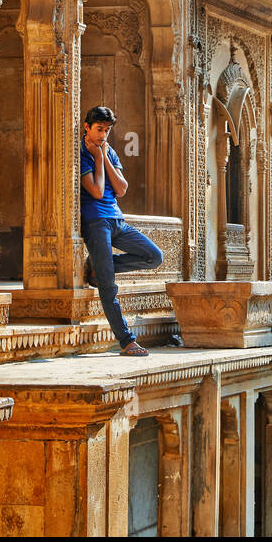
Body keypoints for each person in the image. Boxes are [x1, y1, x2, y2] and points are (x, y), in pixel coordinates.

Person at [80, 104, 163, 357]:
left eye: (106, 130)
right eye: (98, 129)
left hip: (117, 220)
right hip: (95, 222)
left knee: (154, 257)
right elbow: (95, 190)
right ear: (87, 127)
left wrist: (104, 155)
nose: (103, 135)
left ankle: (100, 266)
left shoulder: (109, 151)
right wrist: (96, 157)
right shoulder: (81, 153)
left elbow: (122, 188)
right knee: (108, 286)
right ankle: (127, 342)